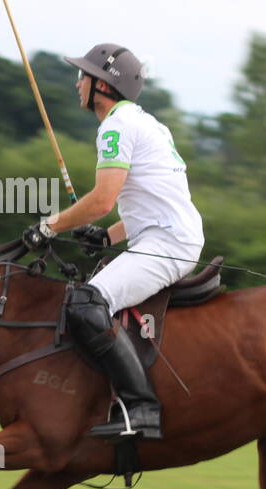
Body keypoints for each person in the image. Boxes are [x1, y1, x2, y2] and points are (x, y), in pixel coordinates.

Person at [21, 43, 204, 440]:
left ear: (101, 86)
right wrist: (108, 235)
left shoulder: (116, 127)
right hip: (169, 235)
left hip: (167, 243)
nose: (77, 83)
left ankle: (141, 409)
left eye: (83, 76)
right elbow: (149, 202)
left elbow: (102, 201)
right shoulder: (148, 123)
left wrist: (49, 227)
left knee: (86, 304)